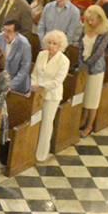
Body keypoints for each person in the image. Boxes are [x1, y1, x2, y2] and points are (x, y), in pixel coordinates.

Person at [31, 29, 69, 162]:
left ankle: (41, 154)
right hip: (37, 94)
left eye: (55, 44)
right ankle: (31, 150)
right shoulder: (42, 54)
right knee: (35, 121)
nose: (51, 46)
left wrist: (41, 87)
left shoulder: (64, 61)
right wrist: (34, 85)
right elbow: (35, 73)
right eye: (50, 43)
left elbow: (57, 81)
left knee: (46, 123)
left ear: (60, 46)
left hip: (51, 96)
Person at [75, 5, 108, 137]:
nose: (90, 22)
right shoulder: (85, 29)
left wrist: (87, 65)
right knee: (84, 96)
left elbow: (98, 52)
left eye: (93, 20)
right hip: (83, 66)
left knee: (93, 98)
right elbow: (80, 46)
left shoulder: (105, 31)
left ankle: (89, 125)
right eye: (88, 20)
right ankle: (83, 120)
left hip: (96, 69)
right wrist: (81, 63)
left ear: (100, 19)